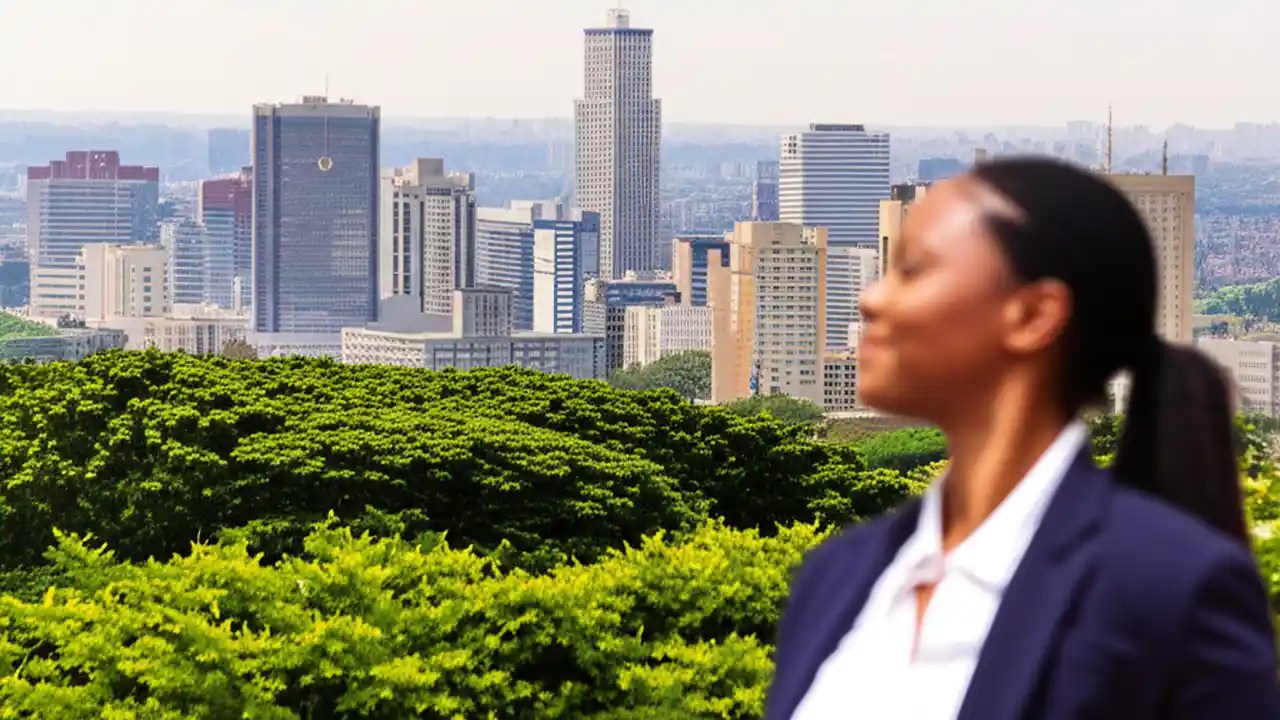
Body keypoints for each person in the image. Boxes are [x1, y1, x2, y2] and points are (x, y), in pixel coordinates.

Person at [766, 157, 1280, 720]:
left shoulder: (1165, 591)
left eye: (912, 269)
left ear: (1034, 314)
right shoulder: (837, 576)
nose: (871, 300)